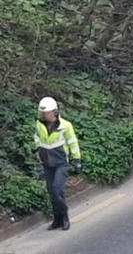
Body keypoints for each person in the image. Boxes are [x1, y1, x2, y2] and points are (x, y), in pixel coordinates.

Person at [34, 97, 82, 231]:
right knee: (51, 191)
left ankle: (65, 216)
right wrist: (38, 149)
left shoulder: (65, 126)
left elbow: (73, 142)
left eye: (47, 113)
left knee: (57, 189)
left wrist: (77, 159)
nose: (45, 115)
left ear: (54, 112)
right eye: (43, 113)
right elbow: (37, 137)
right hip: (47, 162)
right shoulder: (40, 124)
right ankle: (57, 219)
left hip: (61, 162)